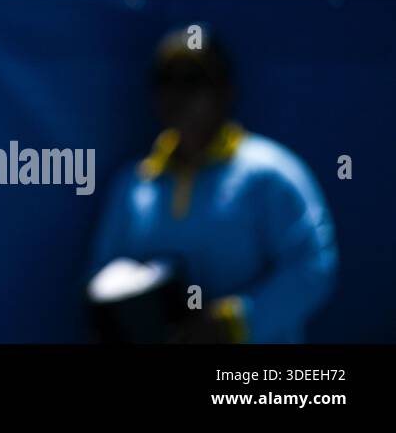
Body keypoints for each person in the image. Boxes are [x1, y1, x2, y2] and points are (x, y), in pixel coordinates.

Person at [89, 28, 337, 342]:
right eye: (166, 80)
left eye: (193, 79)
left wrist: (236, 321)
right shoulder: (133, 185)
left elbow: (312, 267)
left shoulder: (272, 174)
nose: (178, 95)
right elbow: (102, 276)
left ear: (225, 90)